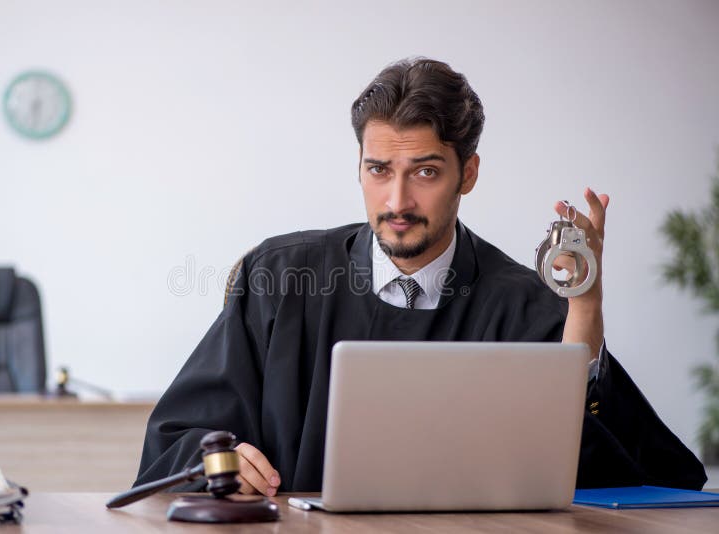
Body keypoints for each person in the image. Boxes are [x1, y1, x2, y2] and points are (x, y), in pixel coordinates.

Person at [136, 57, 707, 496]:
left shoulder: (526, 306)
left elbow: (644, 481)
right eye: (378, 170)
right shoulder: (279, 279)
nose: (397, 201)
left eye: (425, 172)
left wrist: (584, 309)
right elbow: (173, 442)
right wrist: (220, 464)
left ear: (468, 174)